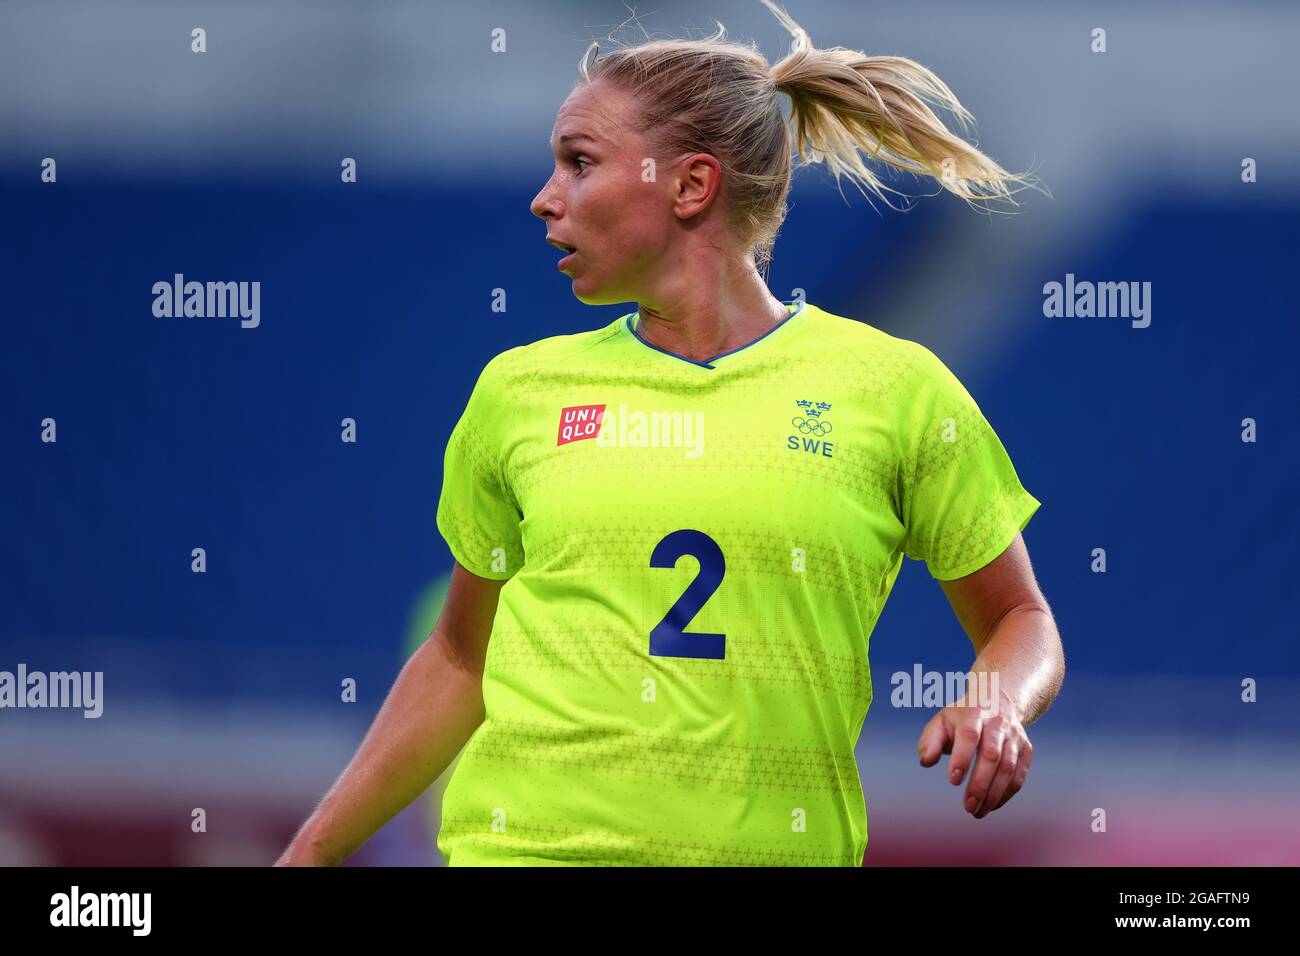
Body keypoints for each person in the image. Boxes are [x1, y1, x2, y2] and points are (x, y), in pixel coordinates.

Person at [277, 0, 1063, 867]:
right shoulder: (521, 392)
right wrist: (311, 853)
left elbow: (1021, 619)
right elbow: (463, 659)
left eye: (580, 164)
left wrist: (995, 701)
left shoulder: (895, 391)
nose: (545, 200)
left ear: (690, 185)